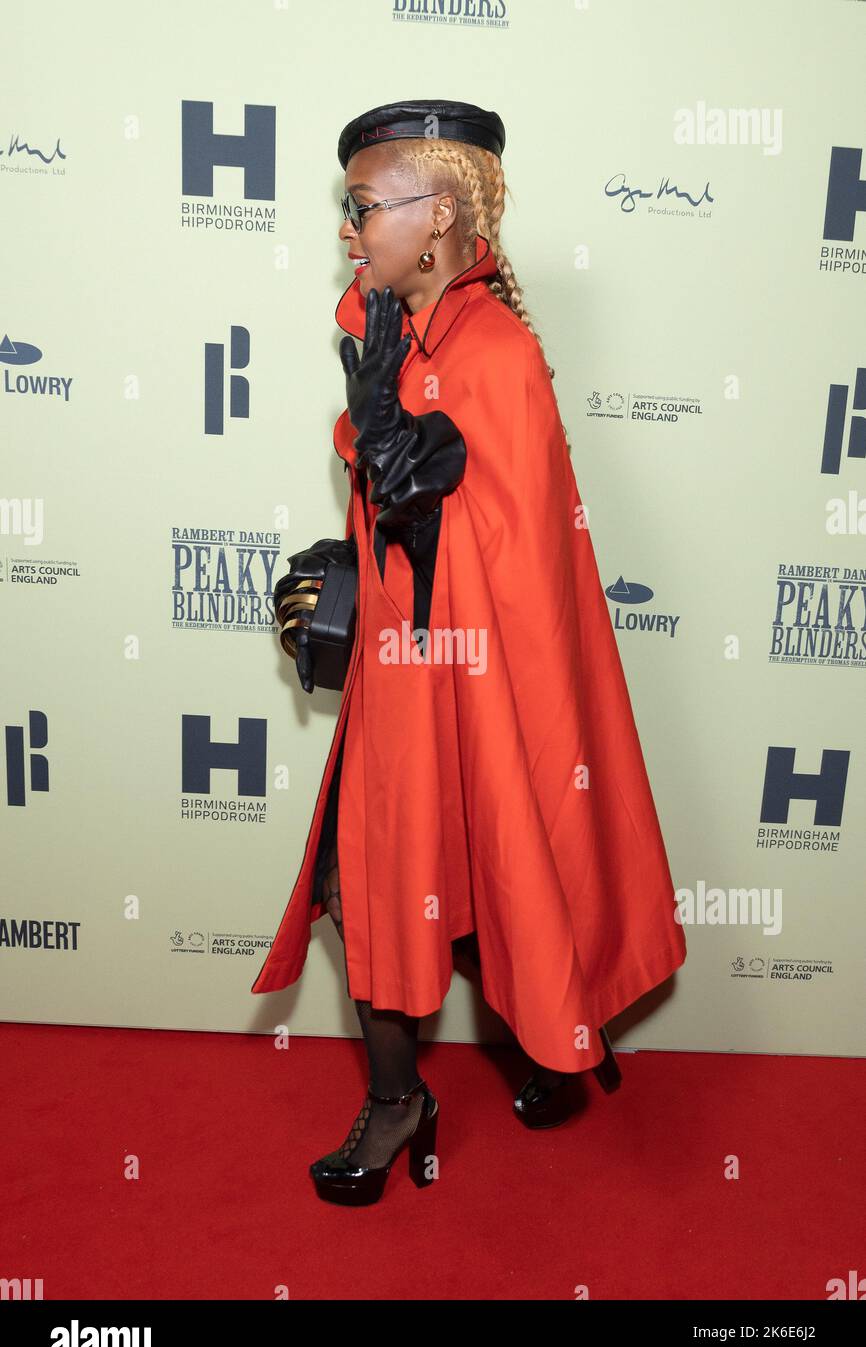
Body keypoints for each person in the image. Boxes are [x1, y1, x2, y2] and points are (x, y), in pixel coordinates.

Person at [251, 100, 688, 1206]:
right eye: (347, 210)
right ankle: (465, 1072)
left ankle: (507, 1053)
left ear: (434, 212)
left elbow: (520, 550)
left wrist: (419, 491)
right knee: (393, 872)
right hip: (407, 673)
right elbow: (403, 505)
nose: (351, 232)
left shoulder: (492, 353)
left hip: (477, 679)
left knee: (473, 852)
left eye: (362, 209)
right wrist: (347, 555)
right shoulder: (392, 332)